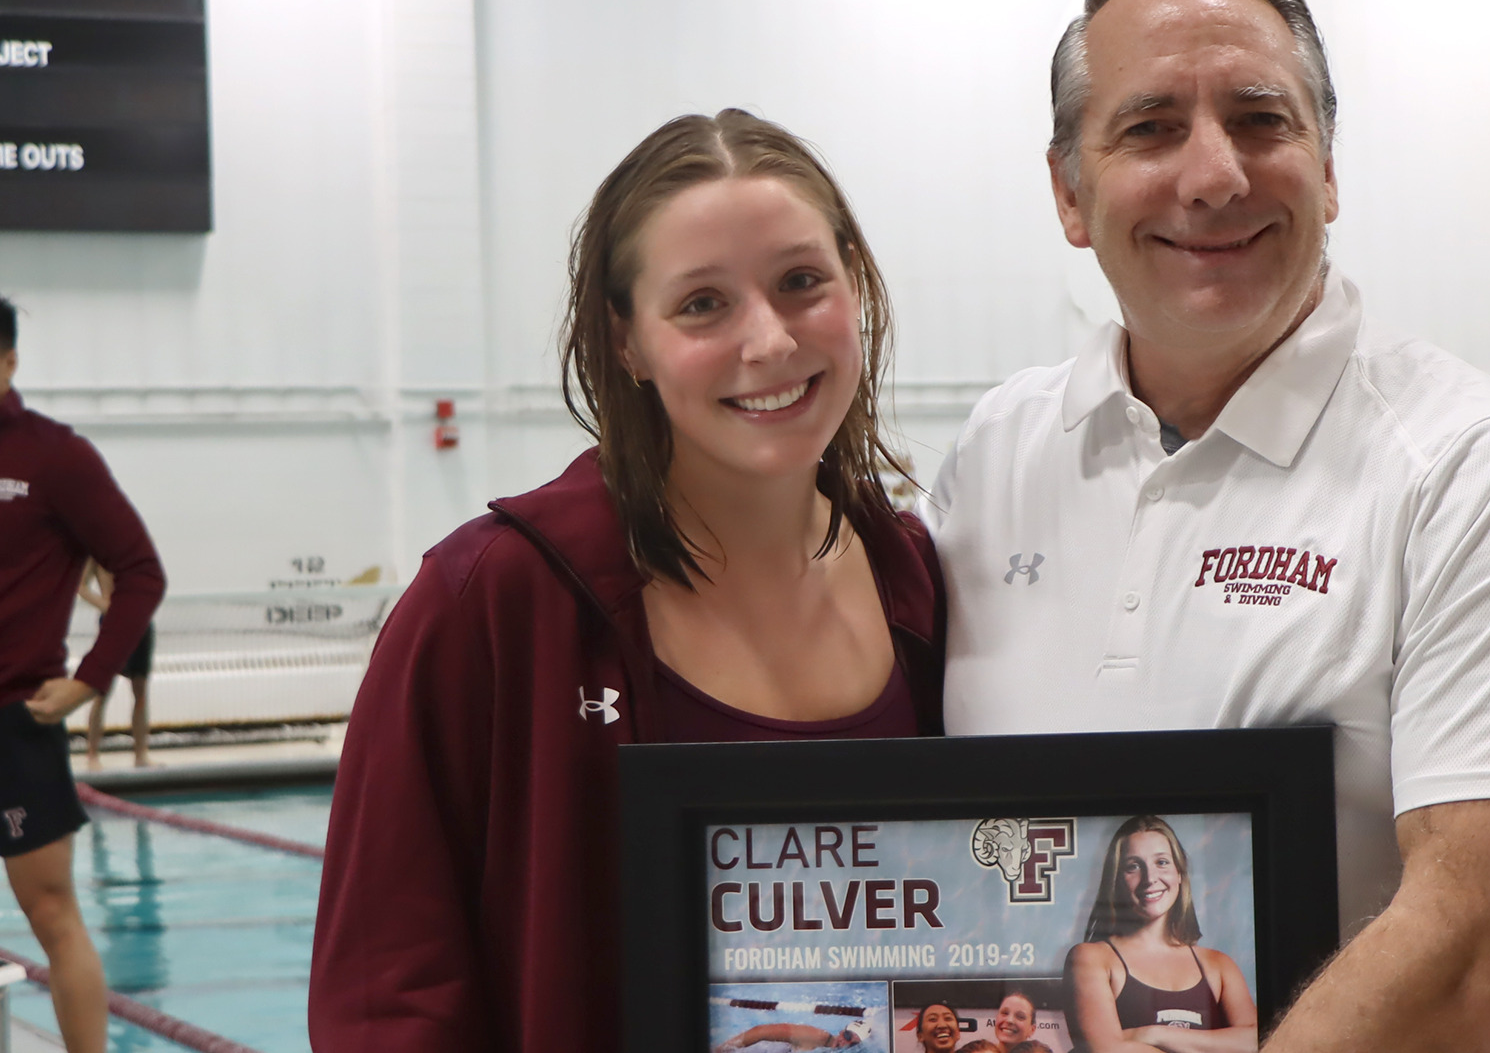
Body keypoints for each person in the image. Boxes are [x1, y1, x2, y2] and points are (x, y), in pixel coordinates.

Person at [928, 0, 1490, 1052]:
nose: (1213, 174)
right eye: (1149, 126)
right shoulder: (994, 452)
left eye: (1261, 120)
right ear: (1069, 192)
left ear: (1326, 170)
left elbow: (1480, 958)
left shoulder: (1486, 473)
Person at [310, 110, 946, 1051]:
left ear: (853, 285)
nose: (768, 341)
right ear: (626, 342)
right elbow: (384, 996)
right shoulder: (490, 600)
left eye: (801, 282)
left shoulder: (918, 578)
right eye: (702, 305)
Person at [0, 295, 167, 1053]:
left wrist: (91, 678)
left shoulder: (53, 457)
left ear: (8, 361)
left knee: (53, 914)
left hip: (14, 723)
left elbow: (139, 570)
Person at [1064, 817, 1254, 1052]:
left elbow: (1258, 1040)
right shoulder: (1091, 958)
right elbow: (1107, 1051)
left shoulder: (1219, 965)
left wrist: (1152, 1033)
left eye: (1162, 862)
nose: (1150, 878)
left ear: (1180, 874)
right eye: (1133, 866)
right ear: (1116, 879)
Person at [77, 560, 155, 769]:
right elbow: (81, 586)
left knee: (140, 690)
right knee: (102, 690)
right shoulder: (97, 553)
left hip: (139, 619)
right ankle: (92, 755)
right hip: (113, 620)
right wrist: (105, 605)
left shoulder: (136, 548)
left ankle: (141, 755)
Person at [717, 1019, 870, 1051]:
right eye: (848, 1036)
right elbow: (761, 1031)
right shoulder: (816, 1037)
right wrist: (721, 1050)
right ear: (842, 1031)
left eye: (853, 1043)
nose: (846, 1043)